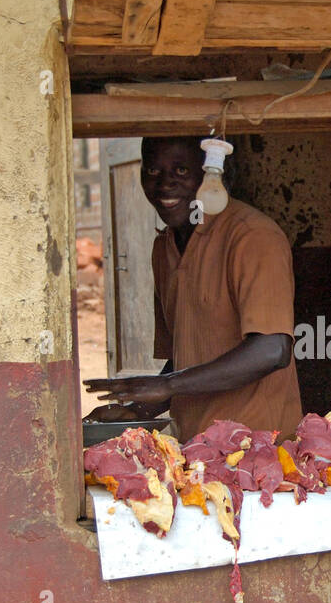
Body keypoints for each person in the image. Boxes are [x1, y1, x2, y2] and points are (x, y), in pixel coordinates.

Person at [84, 136, 303, 441]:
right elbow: (184, 358)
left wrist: (168, 385)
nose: (164, 185)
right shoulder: (164, 247)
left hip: (258, 448)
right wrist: (138, 410)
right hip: (195, 447)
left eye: (182, 171)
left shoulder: (253, 236)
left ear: (210, 174)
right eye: (152, 172)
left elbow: (272, 349)